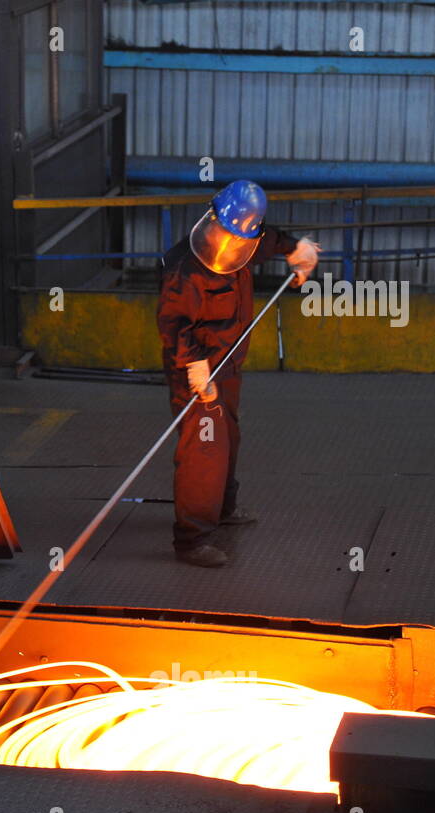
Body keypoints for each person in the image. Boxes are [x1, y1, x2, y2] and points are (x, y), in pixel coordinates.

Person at [156, 179, 321, 568]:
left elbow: (269, 241)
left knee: (228, 435)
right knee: (205, 450)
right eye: (226, 234)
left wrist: (297, 249)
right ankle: (192, 540)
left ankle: (223, 508)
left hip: (228, 365)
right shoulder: (184, 268)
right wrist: (195, 368)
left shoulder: (246, 244)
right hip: (195, 371)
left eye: (240, 237)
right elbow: (173, 326)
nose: (229, 245)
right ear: (213, 216)